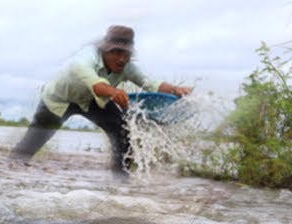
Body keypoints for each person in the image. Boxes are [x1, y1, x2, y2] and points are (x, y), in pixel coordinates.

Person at [11, 25, 192, 176]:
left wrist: (176, 89)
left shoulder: (127, 67)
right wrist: (113, 92)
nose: (122, 59)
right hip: (59, 100)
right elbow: (94, 82)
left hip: (93, 101)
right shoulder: (85, 58)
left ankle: (120, 180)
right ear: (105, 50)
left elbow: (152, 83)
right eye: (116, 52)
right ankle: (11, 173)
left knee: (122, 131)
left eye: (126, 53)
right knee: (30, 145)